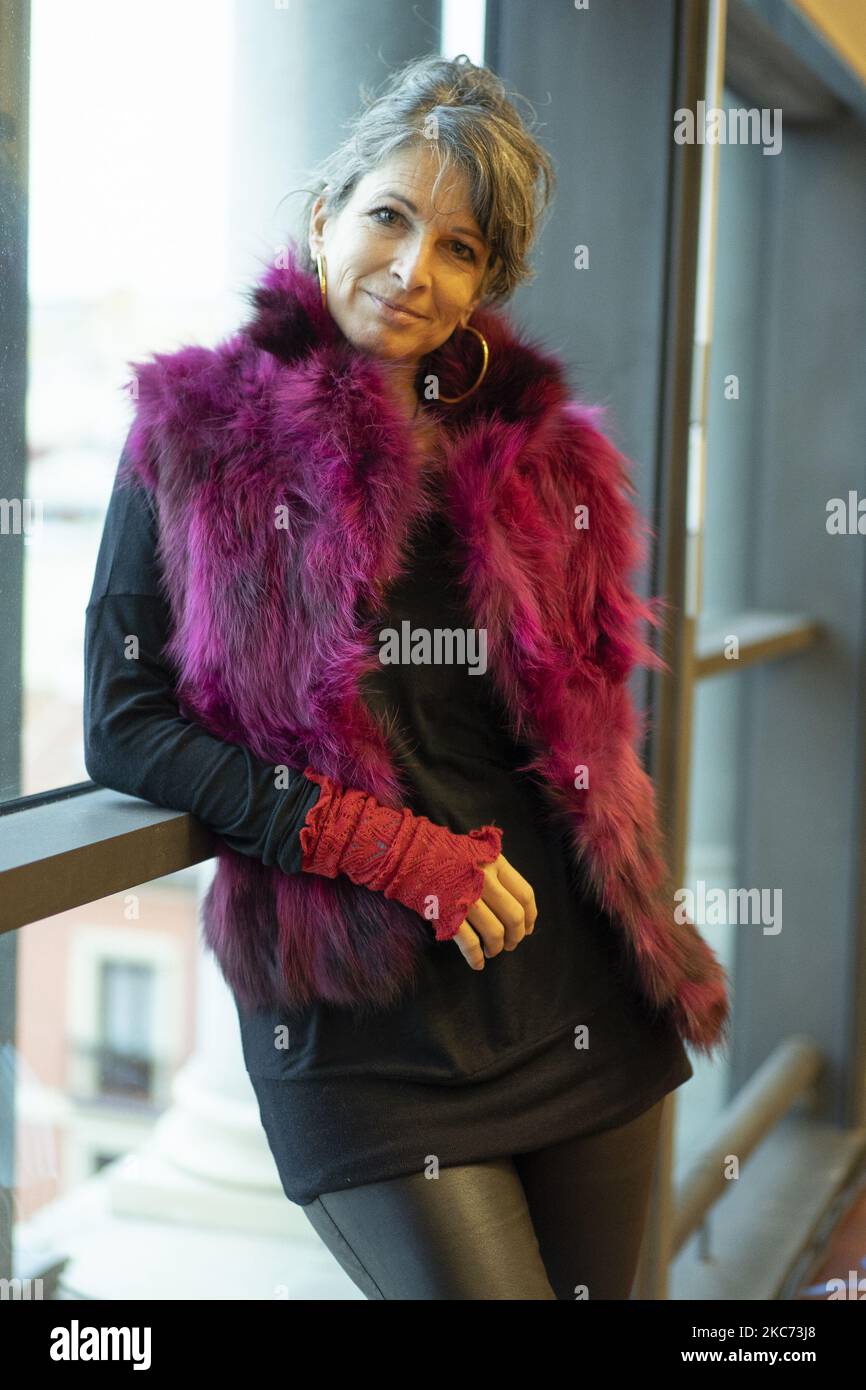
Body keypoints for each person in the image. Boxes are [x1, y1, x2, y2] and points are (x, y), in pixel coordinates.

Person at [84, 54, 729, 1300]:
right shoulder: (191, 431)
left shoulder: (549, 456)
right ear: (326, 212)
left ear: (488, 281)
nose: (411, 269)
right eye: (389, 216)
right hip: (355, 1014)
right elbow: (124, 726)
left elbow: (591, 732)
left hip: (574, 989)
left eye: (459, 248)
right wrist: (381, 849)